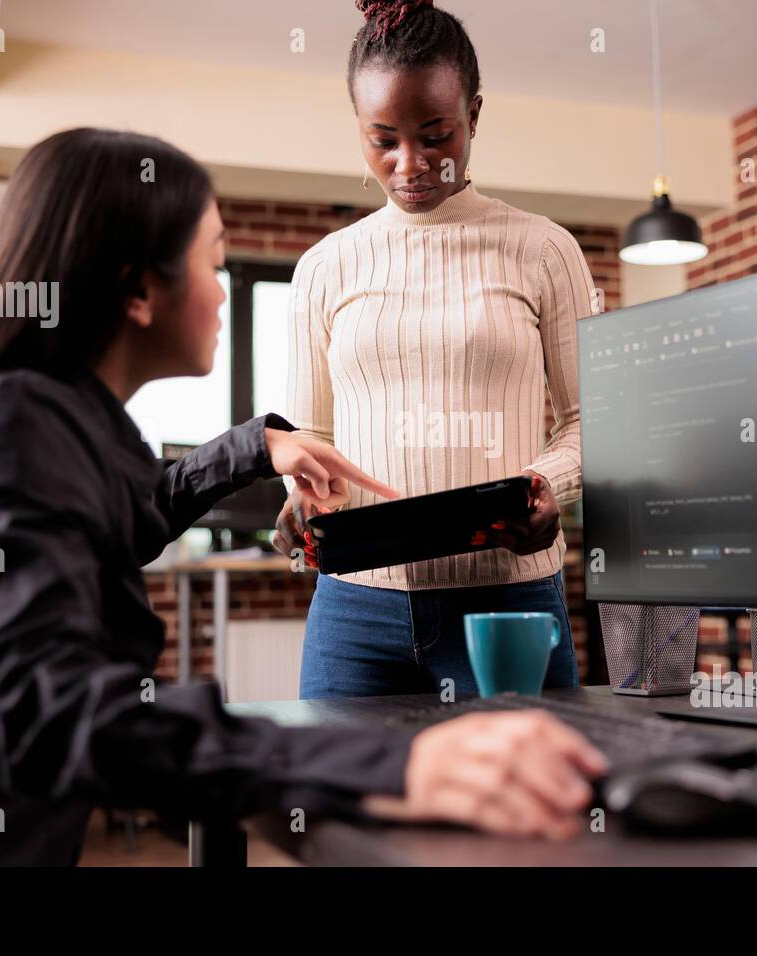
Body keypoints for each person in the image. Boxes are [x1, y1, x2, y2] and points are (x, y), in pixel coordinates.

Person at [0, 128, 607, 864]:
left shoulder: (55, 417)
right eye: (213, 262)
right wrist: (392, 764)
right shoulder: (14, 423)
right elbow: (58, 715)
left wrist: (257, 446)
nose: (224, 291)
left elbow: (133, 515)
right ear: (138, 292)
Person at [275, 0, 597, 699]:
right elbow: (310, 437)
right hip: (355, 612)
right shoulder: (325, 268)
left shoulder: (545, 250)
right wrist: (302, 495)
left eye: (436, 134)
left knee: (524, 806)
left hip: (505, 605)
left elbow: (589, 420)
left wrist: (547, 488)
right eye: (383, 139)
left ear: (474, 116)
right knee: (334, 805)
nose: (411, 163)